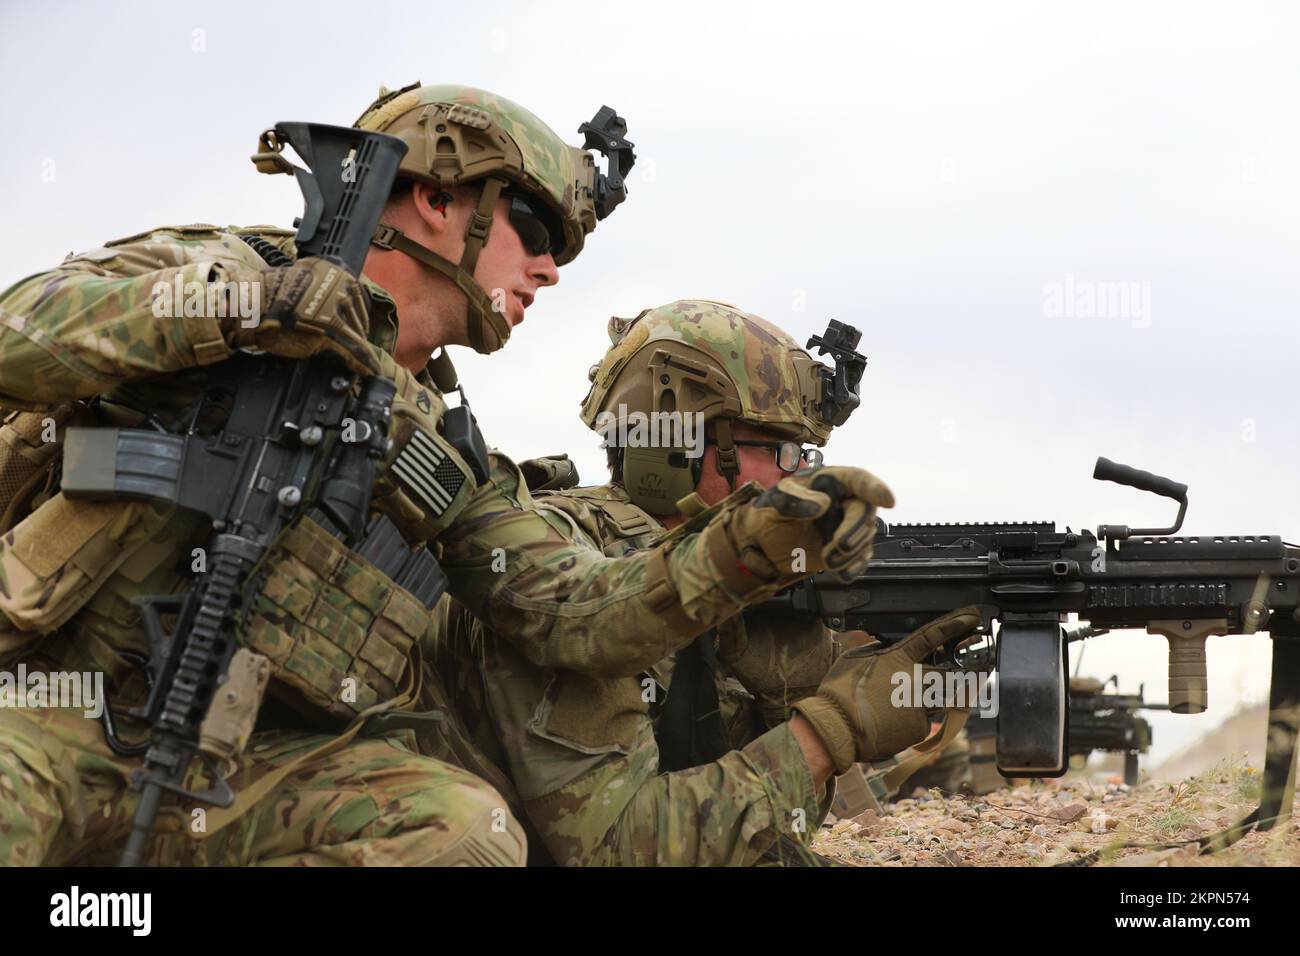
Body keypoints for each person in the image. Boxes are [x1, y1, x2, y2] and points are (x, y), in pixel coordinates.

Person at [0, 88, 895, 866]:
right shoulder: (231, 272)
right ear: (433, 197)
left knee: (464, 835)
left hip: (230, 770)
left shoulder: (438, 436)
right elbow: (19, 333)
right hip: (45, 717)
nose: (546, 270)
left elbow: (571, 607)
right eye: (535, 231)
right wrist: (250, 310)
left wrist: (748, 547)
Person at [430, 300, 980, 865]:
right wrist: (829, 731)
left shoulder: (726, 583)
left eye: (805, 453)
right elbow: (622, 849)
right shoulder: (567, 560)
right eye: (782, 450)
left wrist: (781, 703)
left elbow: (757, 836)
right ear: (680, 445)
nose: (801, 476)